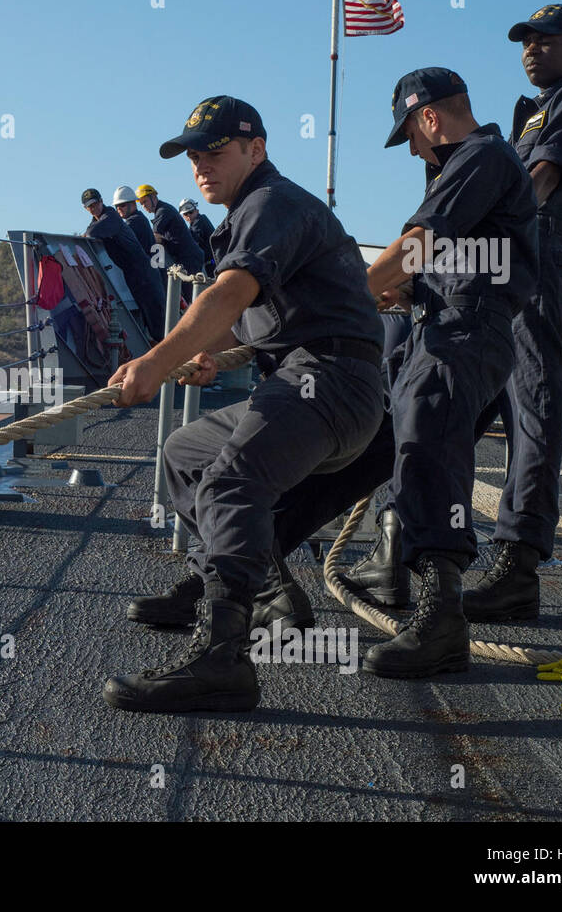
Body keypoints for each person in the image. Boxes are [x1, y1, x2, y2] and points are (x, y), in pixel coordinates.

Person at [103, 95, 385, 713]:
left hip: (331, 380)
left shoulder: (271, 202)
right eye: (194, 155)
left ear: (255, 150)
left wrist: (154, 361)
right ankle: (248, 591)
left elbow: (232, 291)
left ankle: (223, 659)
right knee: (185, 453)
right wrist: (213, 349)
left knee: (231, 482)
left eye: (216, 151)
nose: (201, 165)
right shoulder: (249, 211)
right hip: (306, 377)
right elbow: (254, 311)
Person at [347, 68, 537, 678]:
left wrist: (344, 298)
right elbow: (443, 260)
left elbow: (420, 242)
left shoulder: (480, 157)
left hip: (463, 332)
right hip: (448, 325)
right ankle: (401, 568)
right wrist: (406, 295)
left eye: (409, 133)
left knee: (428, 450)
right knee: (415, 445)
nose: (411, 149)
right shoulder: (475, 164)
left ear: (428, 117)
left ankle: (440, 619)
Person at [462, 5, 562, 622]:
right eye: (526, 40)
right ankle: (413, 540)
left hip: (537, 250)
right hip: (507, 253)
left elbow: (543, 176)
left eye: (547, 41)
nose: (531, 49)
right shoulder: (534, 111)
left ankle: (518, 563)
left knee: (532, 397)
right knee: (468, 394)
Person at [82, 188, 166, 340]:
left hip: (144, 275)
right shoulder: (102, 219)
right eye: (90, 207)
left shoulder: (111, 217)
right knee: (149, 319)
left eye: (95, 204)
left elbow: (91, 233)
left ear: (101, 201)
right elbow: (91, 229)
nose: (93, 208)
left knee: (157, 322)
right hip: (135, 275)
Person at [136, 183, 205, 305]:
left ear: (153, 197)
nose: (143, 206)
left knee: (194, 299)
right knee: (191, 296)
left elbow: (155, 236)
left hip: (189, 258)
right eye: (141, 204)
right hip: (185, 258)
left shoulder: (163, 211)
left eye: (145, 201)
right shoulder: (162, 211)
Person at [113, 186, 156, 255]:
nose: (119, 209)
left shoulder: (135, 221)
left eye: (122, 205)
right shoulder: (138, 218)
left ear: (133, 203)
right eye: (116, 207)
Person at [179, 197, 216, 270]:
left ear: (197, 211)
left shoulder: (199, 221)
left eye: (191, 212)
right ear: (183, 216)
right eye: (186, 214)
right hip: (210, 264)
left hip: (212, 264)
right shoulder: (193, 226)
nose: (189, 216)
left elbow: (194, 241)